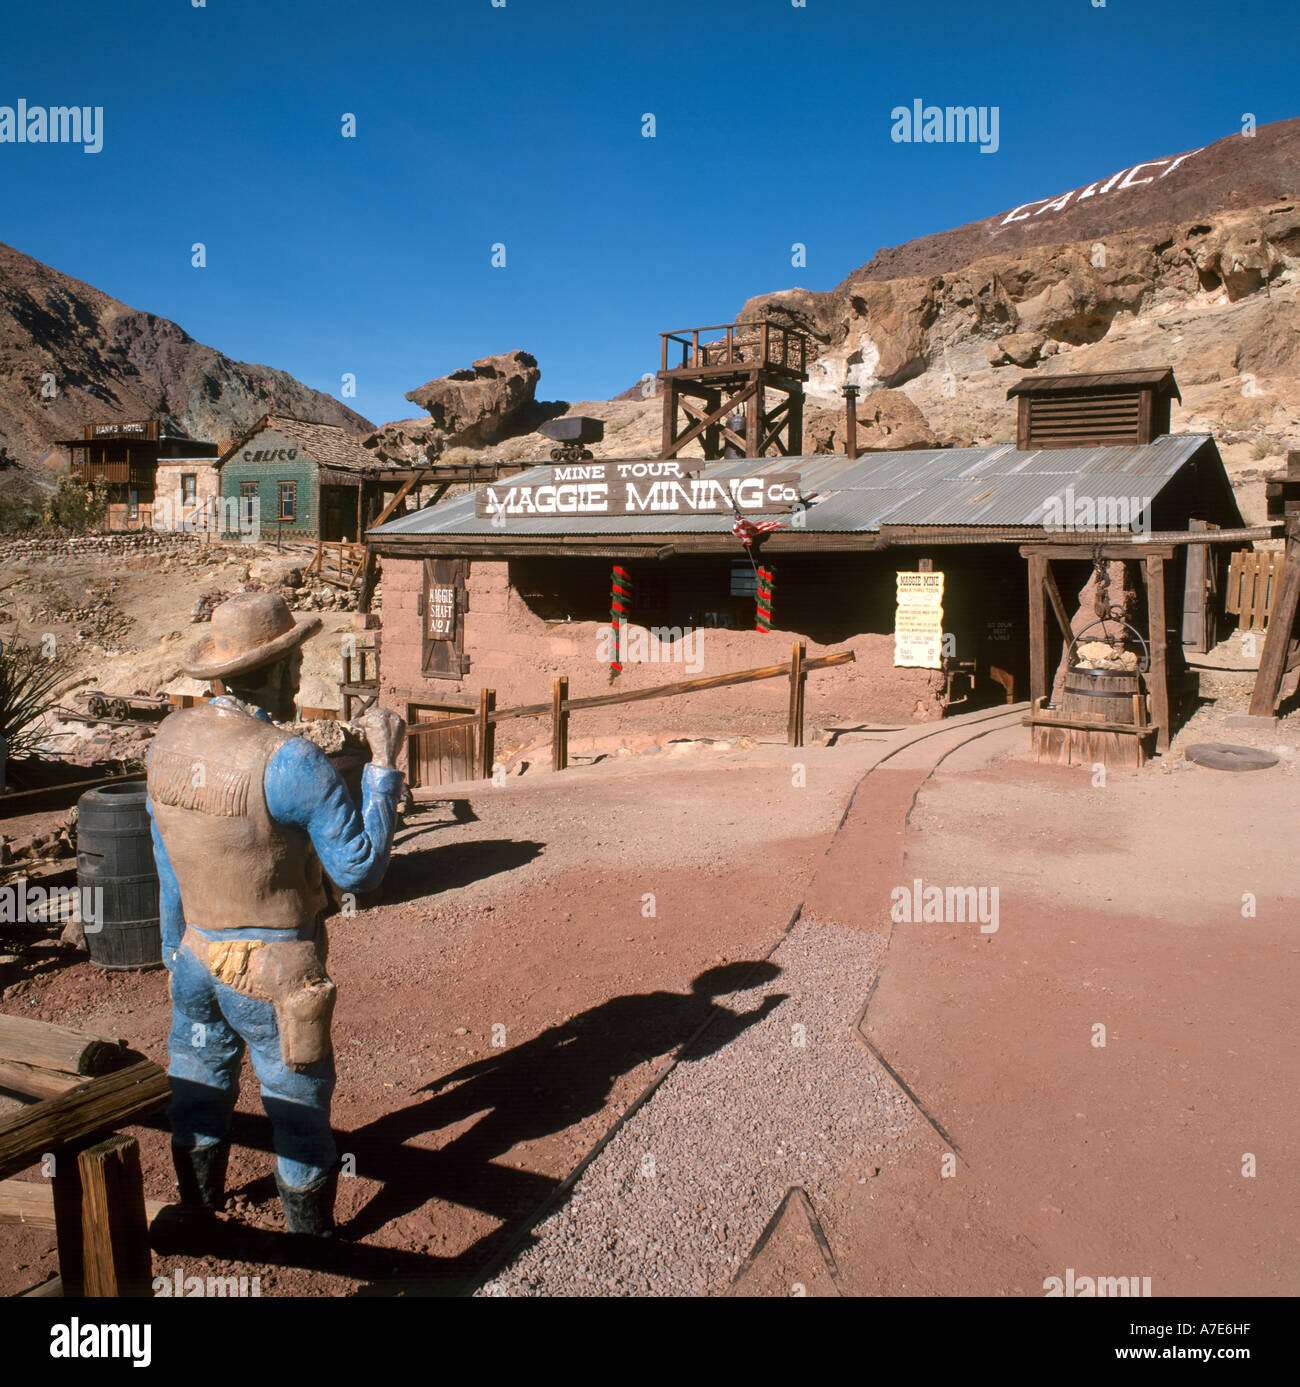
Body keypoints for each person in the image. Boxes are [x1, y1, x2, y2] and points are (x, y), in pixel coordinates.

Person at [146, 592, 406, 1235]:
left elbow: (166, 861)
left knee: (199, 1087)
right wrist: (382, 768)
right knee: (295, 1102)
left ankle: (200, 1212)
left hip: (196, 955)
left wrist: (173, 945)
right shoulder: (290, 760)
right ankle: (310, 1243)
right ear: (276, 669)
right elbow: (359, 872)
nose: (298, 677)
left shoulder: (167, 741)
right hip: (275, 970)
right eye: (292, 662)